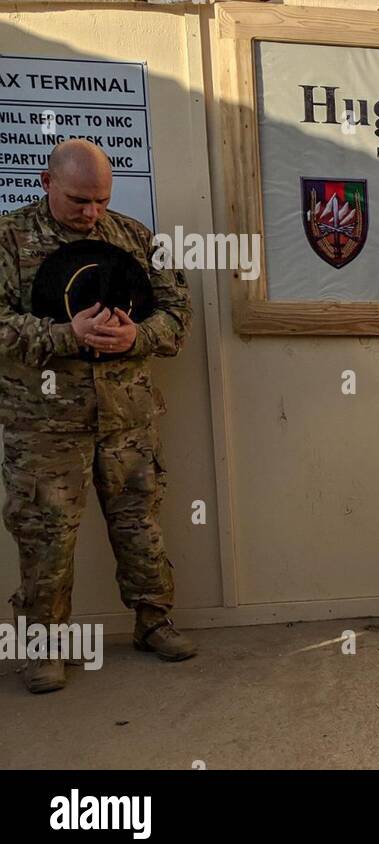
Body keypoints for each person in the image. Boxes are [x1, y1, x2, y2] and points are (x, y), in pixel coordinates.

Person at [0, 139, 196, 694]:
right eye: (79, 200)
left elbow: (178, 313)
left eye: (101, 201)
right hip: (44, 426)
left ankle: (154, 622)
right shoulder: (9, 239)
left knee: (139, 525)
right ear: (46, 183)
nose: (92, 213)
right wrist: (66, 335)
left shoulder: (134, 238)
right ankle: (44, 648)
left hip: (127, 420)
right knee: (46, 536)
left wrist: (139, 336)